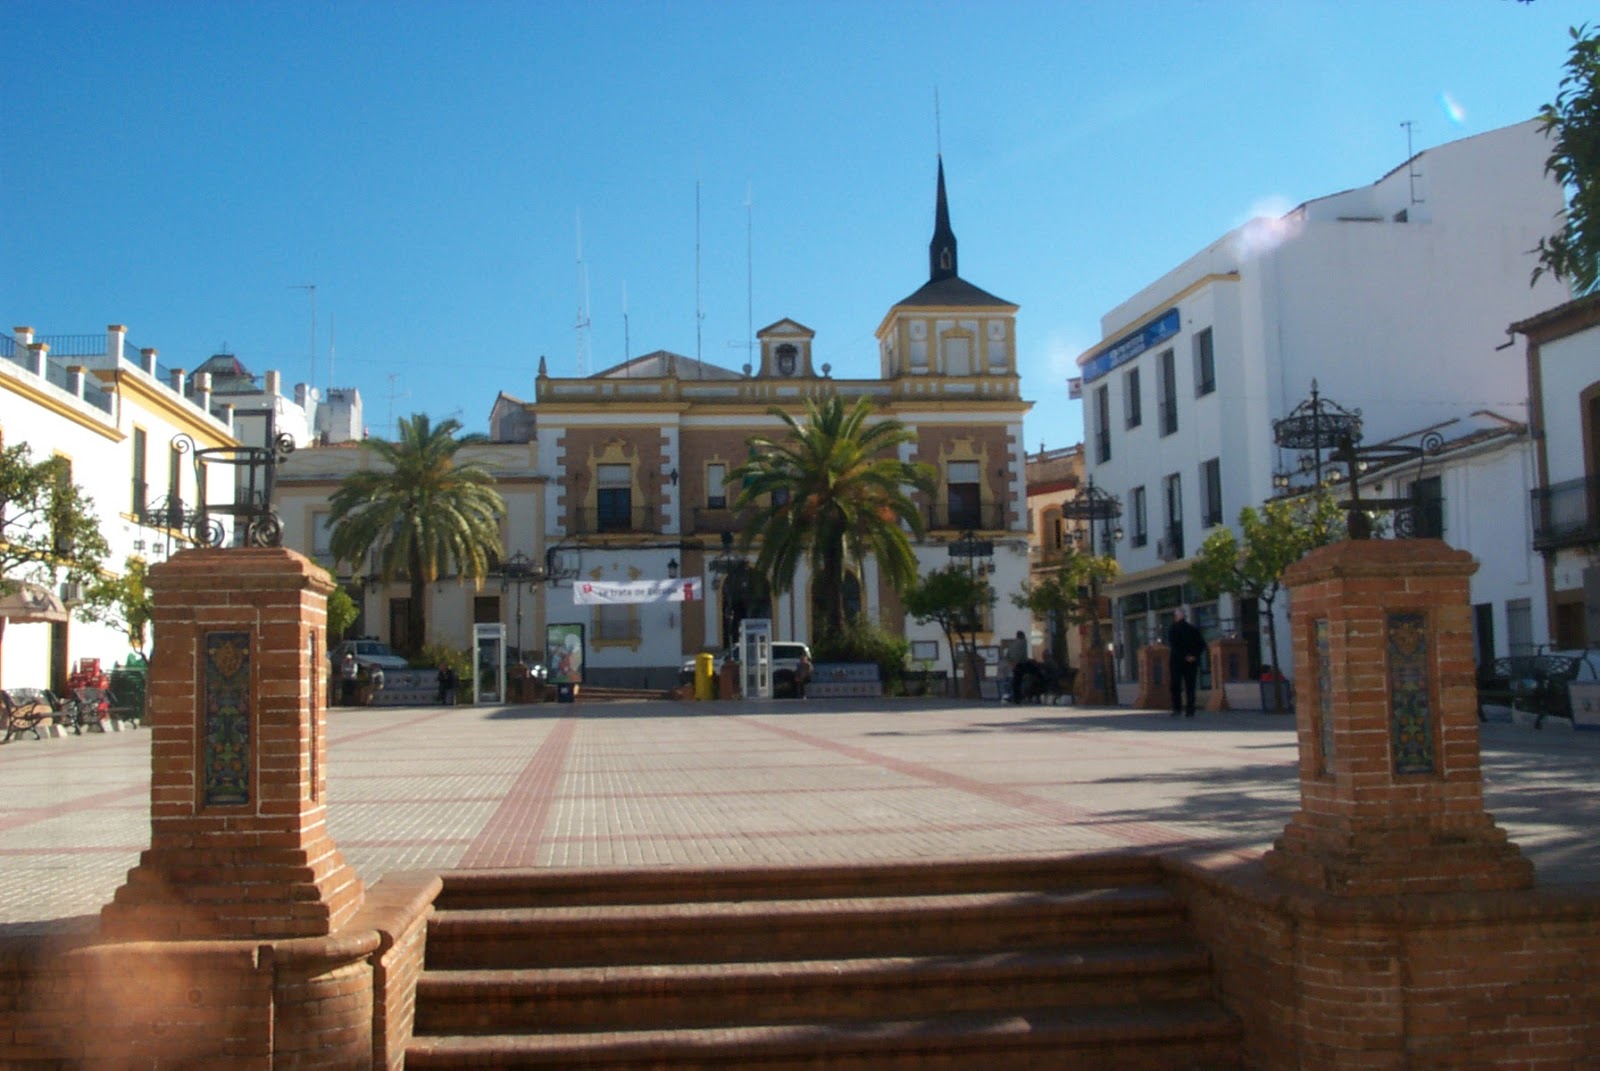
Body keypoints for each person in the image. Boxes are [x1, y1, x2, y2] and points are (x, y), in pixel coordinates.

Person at [1168, 608, 1208, 718]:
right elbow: (1202, 645)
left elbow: (1174, 646)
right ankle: (1190, 709)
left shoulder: (1173, 629)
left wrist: (1185, 656)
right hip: (1192, 663)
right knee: (1190, 686)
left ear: (1176, 617)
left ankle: (1177, 708)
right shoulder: (1193, 629)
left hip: (1177, 662)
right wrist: (1193, 656)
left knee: (1176, 685)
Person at [1006, 630, 1039, 704]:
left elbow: (1007, 656)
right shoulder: (1023, 642)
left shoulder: (1011, 644)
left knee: (1016, 682)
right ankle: (1025, 695)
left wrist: (1012, 663)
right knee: (1036, 673)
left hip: (1014, 665)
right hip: (1021, 664)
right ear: (1022, 636)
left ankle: (1016, 698)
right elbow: (1022, 656)